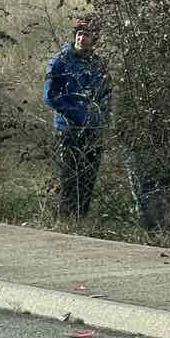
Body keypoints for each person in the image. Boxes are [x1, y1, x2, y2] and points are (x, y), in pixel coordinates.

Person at [44, 16, 112, 219]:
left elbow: (106, 93)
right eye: (79, 33)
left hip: (93, 130)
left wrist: (101, 120)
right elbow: (50, 96)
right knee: (70, 178)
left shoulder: (99, 64)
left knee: (89, 178)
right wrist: (79, 116)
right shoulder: (60, 61)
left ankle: (81, 218)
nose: (81, 38)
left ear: (95, 39)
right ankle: (65, 221)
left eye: (87, 34)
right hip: (69, 129)